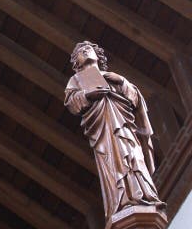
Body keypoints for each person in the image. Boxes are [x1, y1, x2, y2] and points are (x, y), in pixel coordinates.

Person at [64, 41, 163, 219]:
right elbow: (71, 102)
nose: (85, 51)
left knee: (133, 156)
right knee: (112, 161)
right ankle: (123, 199)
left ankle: (145, 195)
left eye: (89, 49)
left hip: (125, 125)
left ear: (98, 55)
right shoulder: (76, 80)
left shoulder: (112, 76)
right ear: (76, 62)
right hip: (103, 131)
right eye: (80, 51)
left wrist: (122, 81)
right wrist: (88, 95)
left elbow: (136, 101)